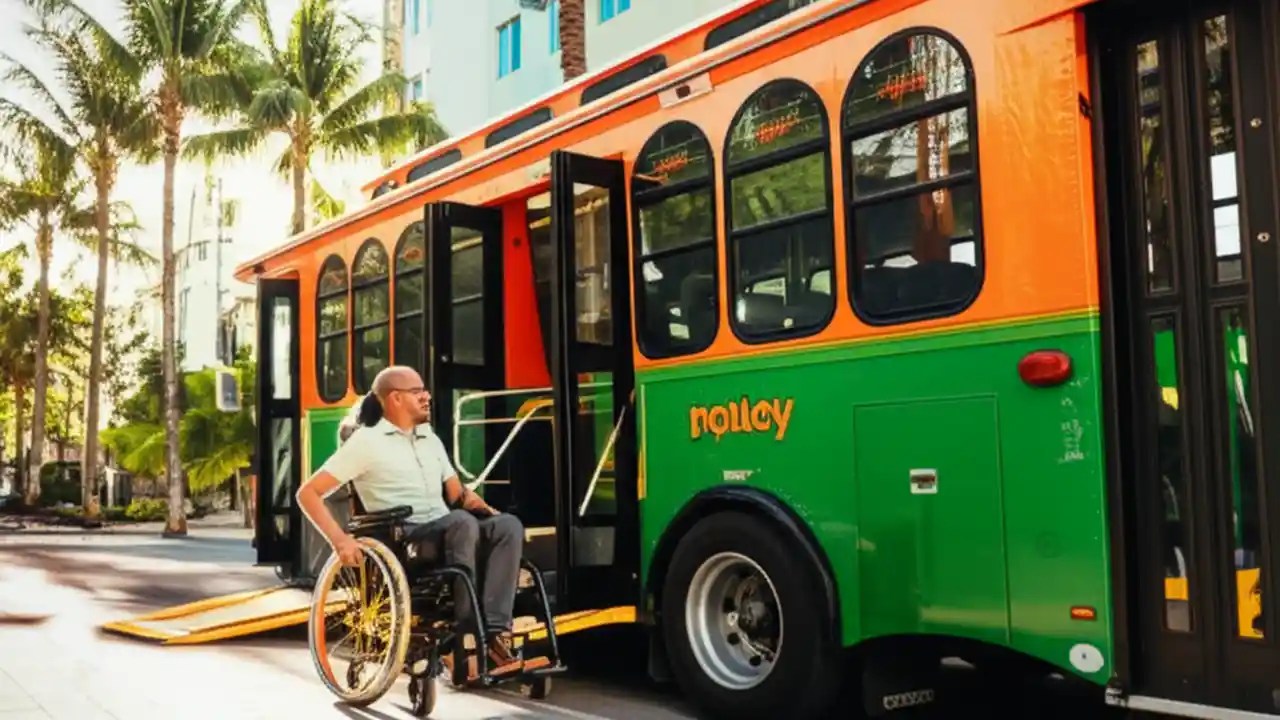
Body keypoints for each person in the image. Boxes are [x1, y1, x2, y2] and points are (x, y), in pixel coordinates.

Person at [296, 365, 529, 677]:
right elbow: (308, 493)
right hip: (407, 539)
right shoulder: (367, 442)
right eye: (418, 392)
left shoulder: (428, 438)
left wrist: (487, 509)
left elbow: (457, 494)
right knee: (461, 523)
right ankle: (467, 641)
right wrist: (340, 541)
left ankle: (496, 636)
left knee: (508, 527)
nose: (427, 396)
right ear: (395, 399)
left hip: (451, 527)